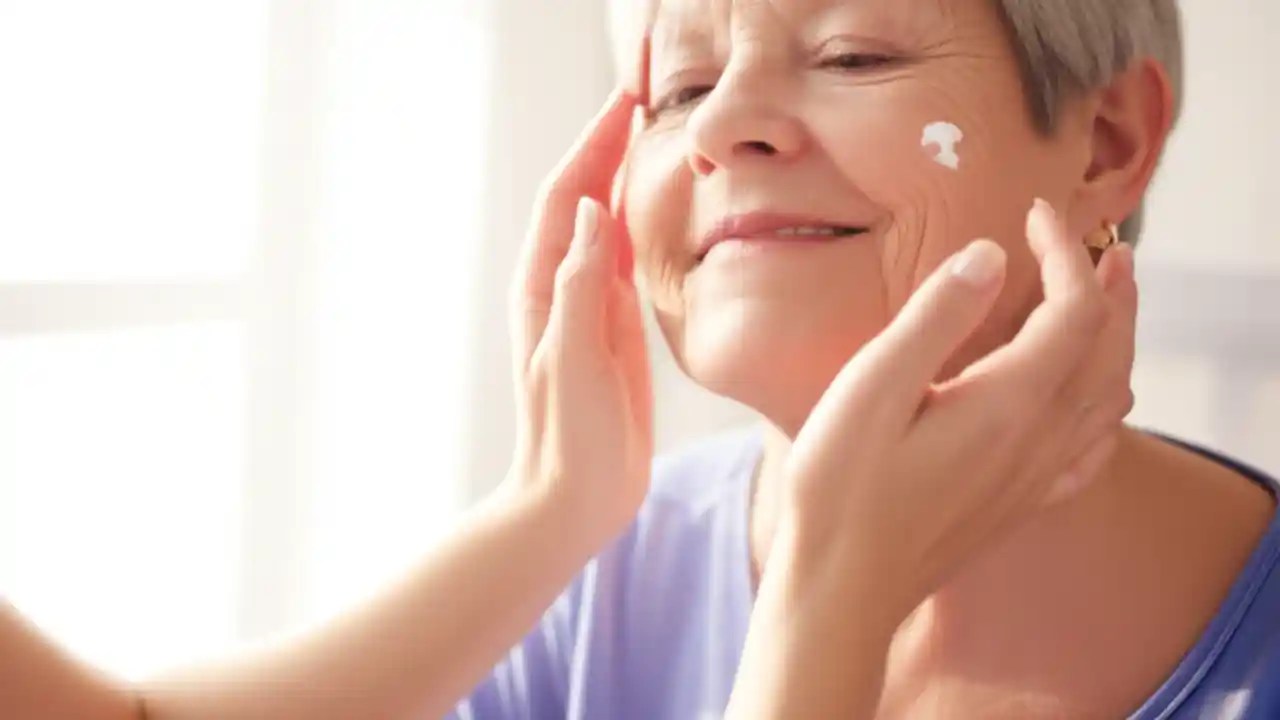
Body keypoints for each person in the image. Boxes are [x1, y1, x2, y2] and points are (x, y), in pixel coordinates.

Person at [452, 0, 1280, 718]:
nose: (716, 125)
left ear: (1104, 144)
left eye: (853, 56)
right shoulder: (588, 590)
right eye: (683, 91)